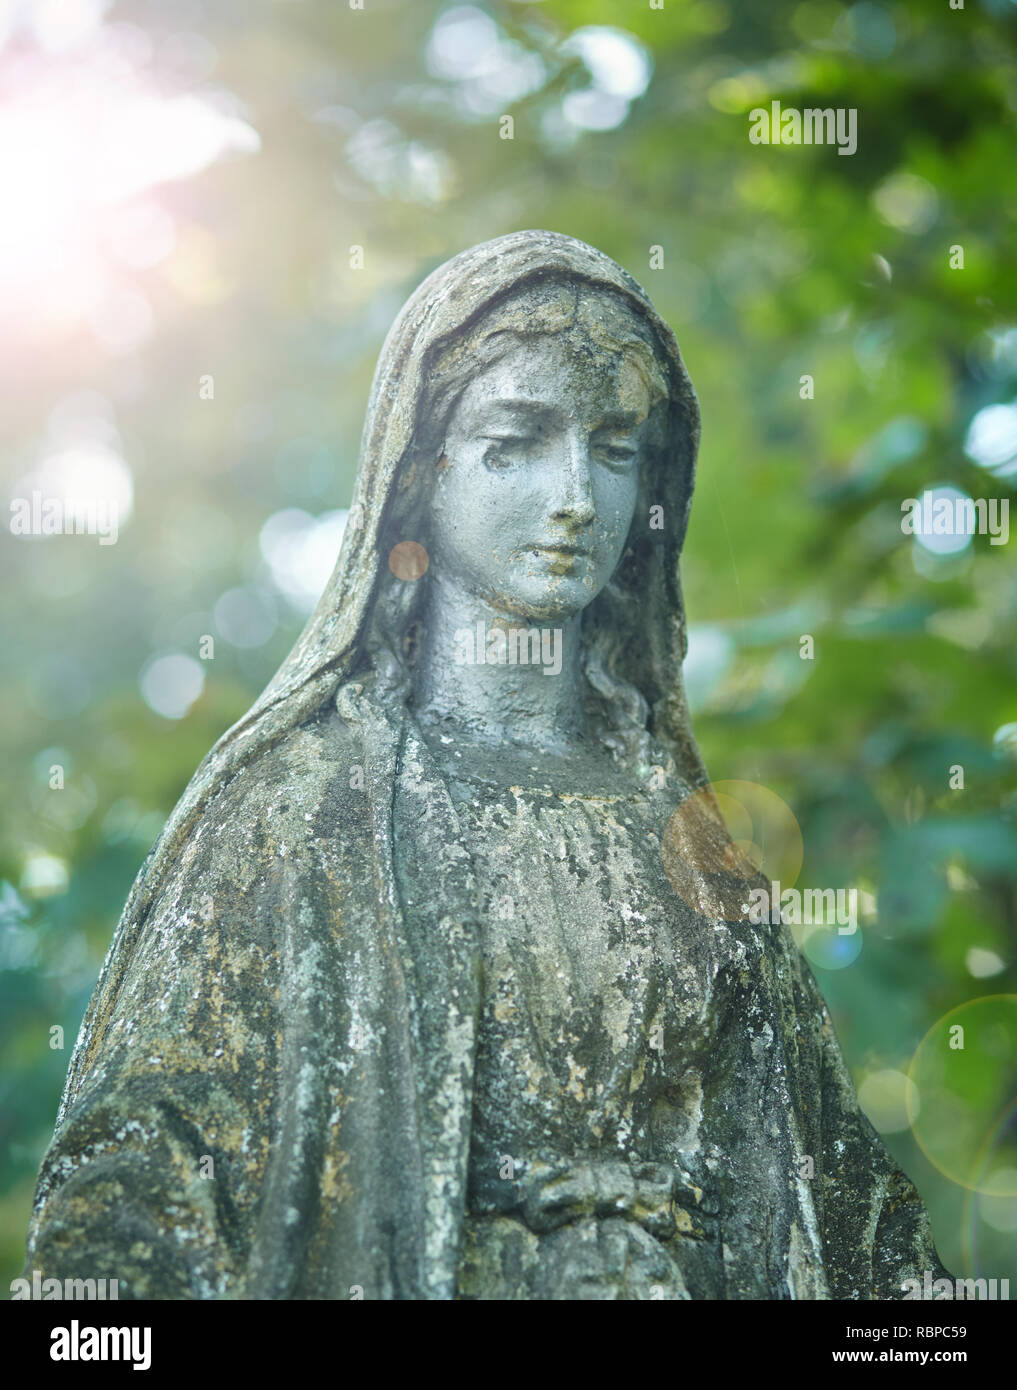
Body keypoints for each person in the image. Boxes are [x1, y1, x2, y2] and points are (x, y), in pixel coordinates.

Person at [23, 231, 948, 1299]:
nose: (576, 497)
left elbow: (849, 1214)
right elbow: (141, 1171)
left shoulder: (687, 840)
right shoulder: (297, 810)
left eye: (614, 448)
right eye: (519, 439)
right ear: (422, 473)